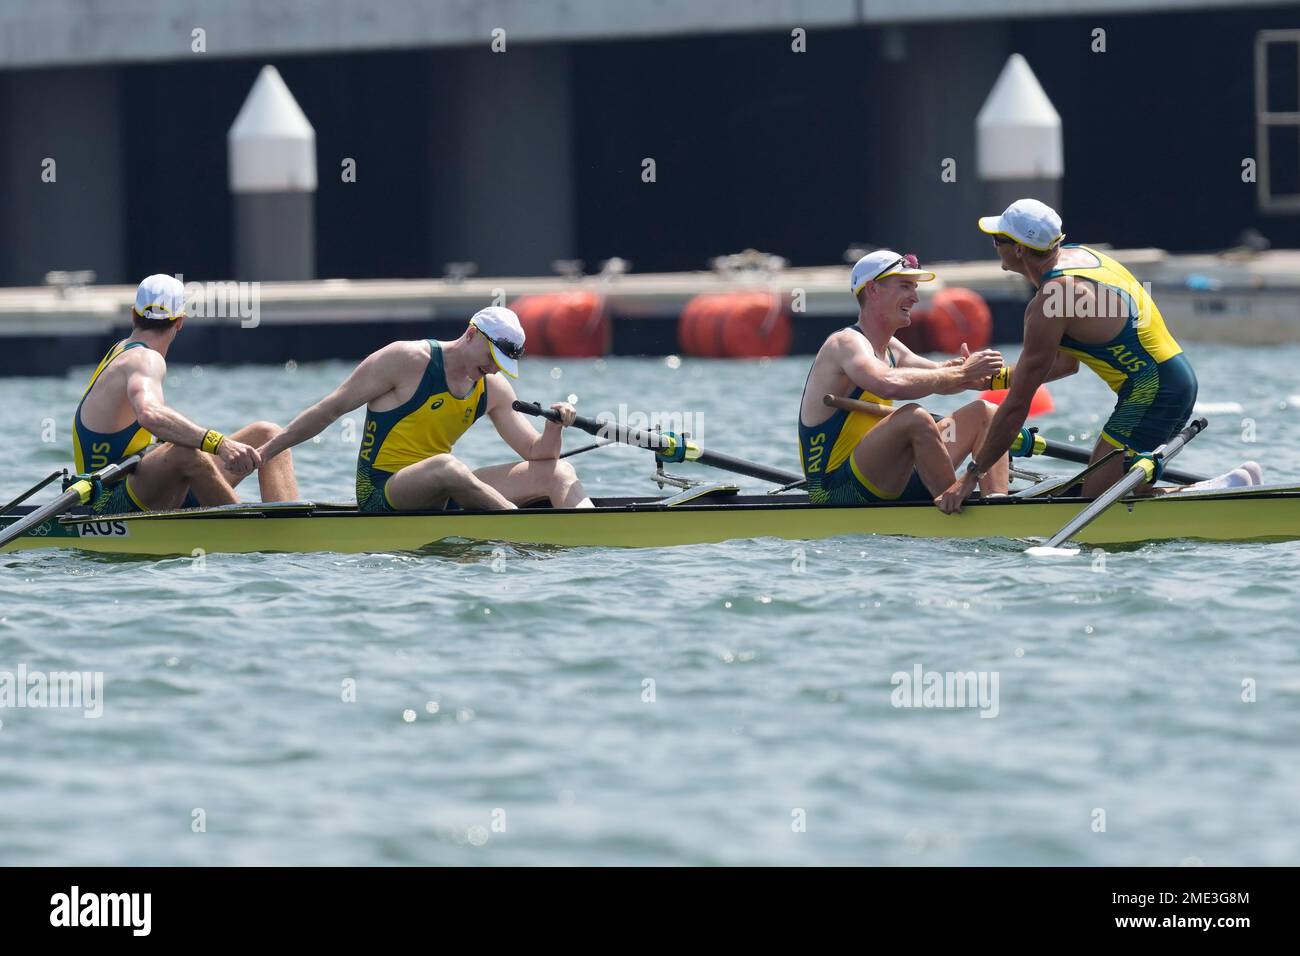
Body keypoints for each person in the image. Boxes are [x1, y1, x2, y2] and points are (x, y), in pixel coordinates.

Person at [934, 198, 1249, 513]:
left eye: (997, 239)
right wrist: (992, 378)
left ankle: (1218, 494)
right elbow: (1065, 364)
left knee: (1095, 501)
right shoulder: (1082, 256)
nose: (994, 245)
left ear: (1018, 249)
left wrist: (970, 477)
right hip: (1173, 380)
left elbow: (1017, 404)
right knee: (1110, 488)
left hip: (1153, 391)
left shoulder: (1051, 302)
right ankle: (1217, 490)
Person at [256, 306, 592, 511]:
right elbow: (330, 410)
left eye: (502, 365)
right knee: (448, 467)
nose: (494, 369)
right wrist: (267, 451)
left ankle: (591, 539)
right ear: (471, 334)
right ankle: (525, 535)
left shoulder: (492, 388)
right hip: (382, 492)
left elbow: (537, 455)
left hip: (442, 488)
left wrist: (554, 427)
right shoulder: (406, 359)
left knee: (558, 472)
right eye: (492, 358)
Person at [72, 274, 298, 514]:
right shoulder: (144, 359)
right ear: (180, 322)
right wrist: (219, 444)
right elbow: (149, 414)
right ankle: (248, 531)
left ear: (133, 315)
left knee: (268, 435)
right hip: (106, 502)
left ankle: (290, 526)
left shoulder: (121, 350)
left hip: (150, 485)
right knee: (182, 451)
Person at [798, 250, 1008, 505]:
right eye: (905, 286)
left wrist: (974, 372)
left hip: (887, 477)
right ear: (873, 289)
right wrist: (960, 373)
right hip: (835, 491)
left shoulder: (892, 348)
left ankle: (997, 505)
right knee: (914, 417)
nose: (916, 297)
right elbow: (887, 384)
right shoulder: (845, 343)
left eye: (915, 287)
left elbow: (940, 378)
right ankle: (953, 509)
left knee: (985, 413)